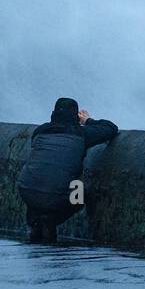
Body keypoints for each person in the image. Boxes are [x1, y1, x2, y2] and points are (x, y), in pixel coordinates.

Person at [18, 97, 118, 243]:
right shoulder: (81, 134)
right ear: (75, 117)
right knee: (79, 192)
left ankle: (36, 225)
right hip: (57, 195)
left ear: (53, 114)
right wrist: (88, 121)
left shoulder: (40, 131)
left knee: (39, 181)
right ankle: (50, 221)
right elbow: (111, 128)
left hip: (26, 190)